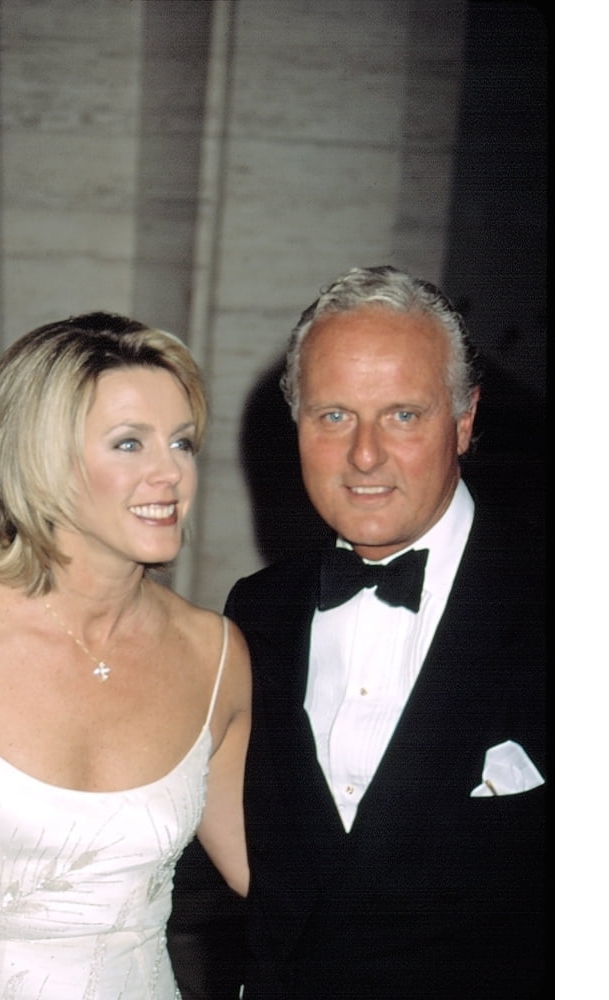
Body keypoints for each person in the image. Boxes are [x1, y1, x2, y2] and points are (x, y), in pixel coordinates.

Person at [0, 313, 251, 998]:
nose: (171, 472)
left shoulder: (216, 653)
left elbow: (274, 872)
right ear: (44, 458)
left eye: (182, 442)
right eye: (130, 443)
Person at [225, 266, 547, 998]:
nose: (364, 455)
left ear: (465, 420)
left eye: (403, 415)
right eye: (333, 415)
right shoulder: (255, 613)